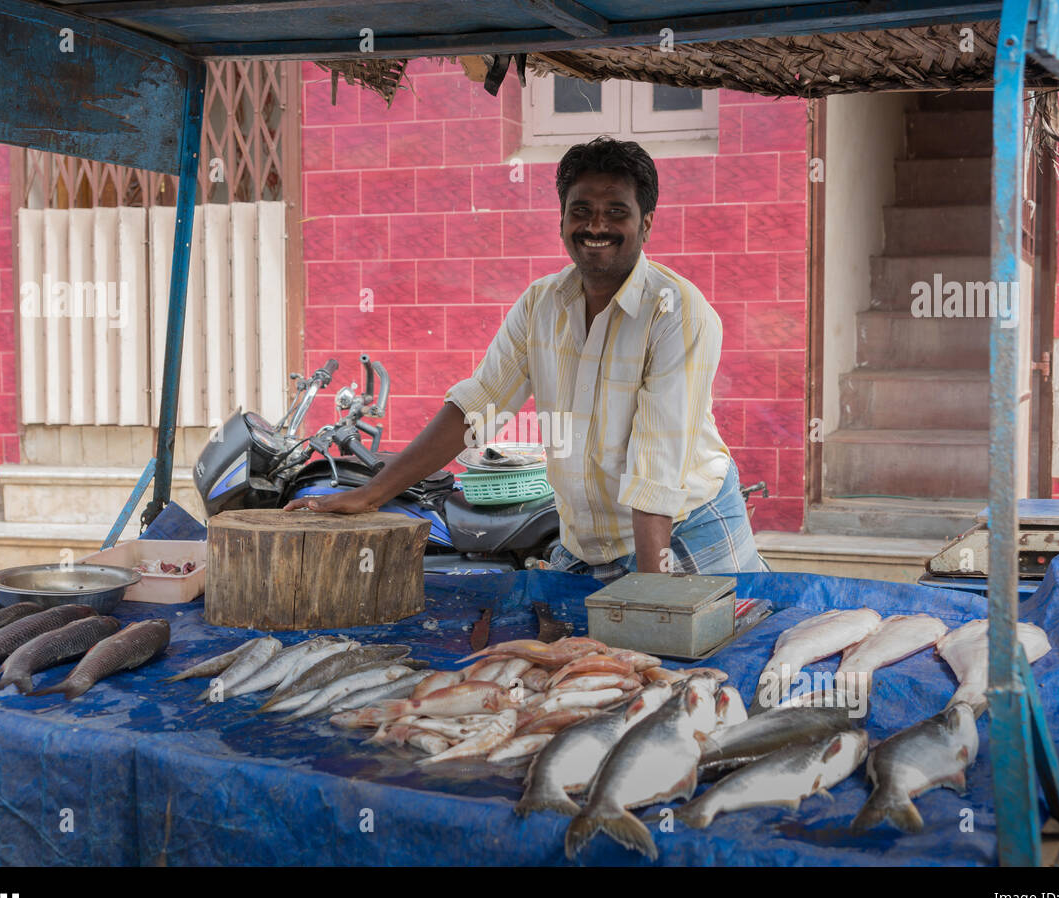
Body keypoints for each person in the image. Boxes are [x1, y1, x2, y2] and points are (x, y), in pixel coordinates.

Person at [287, 136, 764, 581]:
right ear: (561, 221)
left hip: (683, 533)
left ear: (646, 223)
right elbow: (478, 409)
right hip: (587, 543)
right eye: (582, 211)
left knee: (692, 667)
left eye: (616, 212)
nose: (596, 225)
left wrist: (651, 603)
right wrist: (368, 495)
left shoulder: (677, 311)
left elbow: (656, 471)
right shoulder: (542, 305)